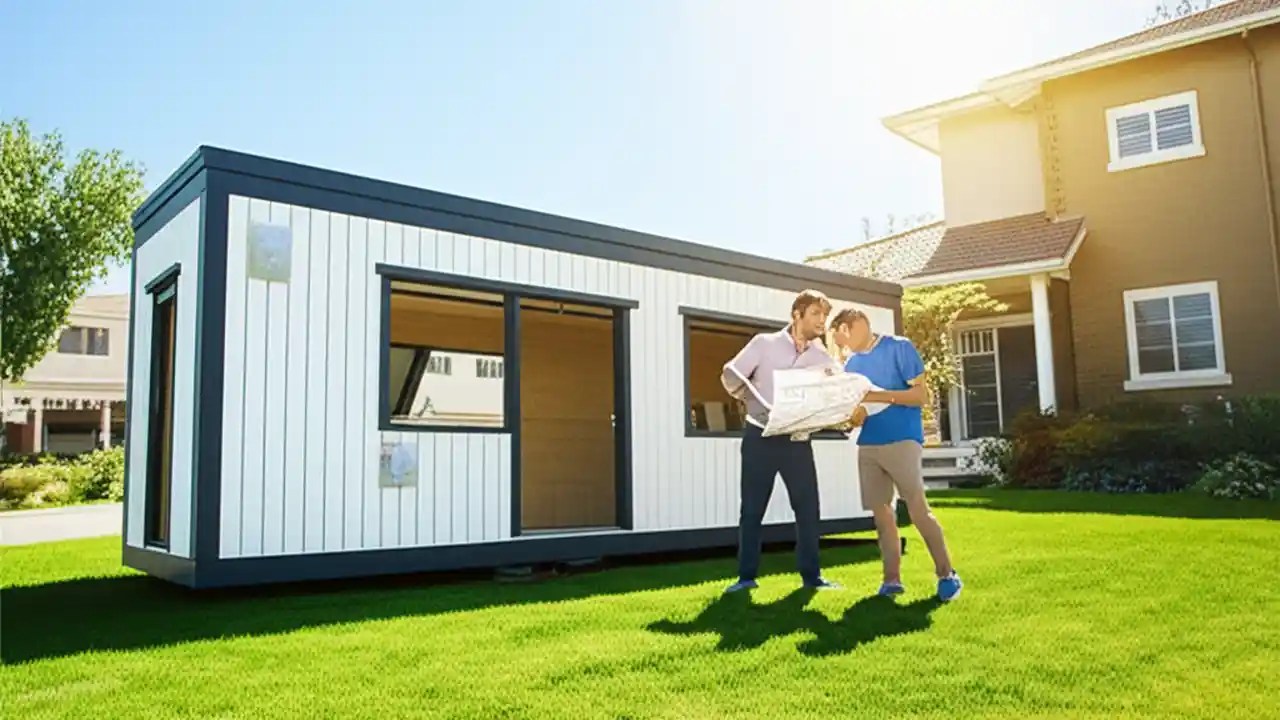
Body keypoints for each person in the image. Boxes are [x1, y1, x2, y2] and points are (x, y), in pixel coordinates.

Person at [830, 307, 963, 602]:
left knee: (917, 510)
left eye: (842, 336)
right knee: (882, 515)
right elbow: (859, 412)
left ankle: (947, 575)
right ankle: (891, 581)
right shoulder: (851, 366)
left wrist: (877, 395)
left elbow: (920, 397)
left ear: (857, 325)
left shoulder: (899, 348)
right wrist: (851, 417)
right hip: (868, 445)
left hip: (903, 440)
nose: (842, 345)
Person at [719, 289, 843, 593]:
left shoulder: (821, 357)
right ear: (796, 315)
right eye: (815, 314)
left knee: (808, 508)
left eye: (824, 316)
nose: (821, 321)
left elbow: (833, 394)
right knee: (752, 509)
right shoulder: (764, 344)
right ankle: (746, 578)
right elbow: (731, 375)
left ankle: (812, 578)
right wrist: (748, 397)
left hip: (798, 441)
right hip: (759, 436)